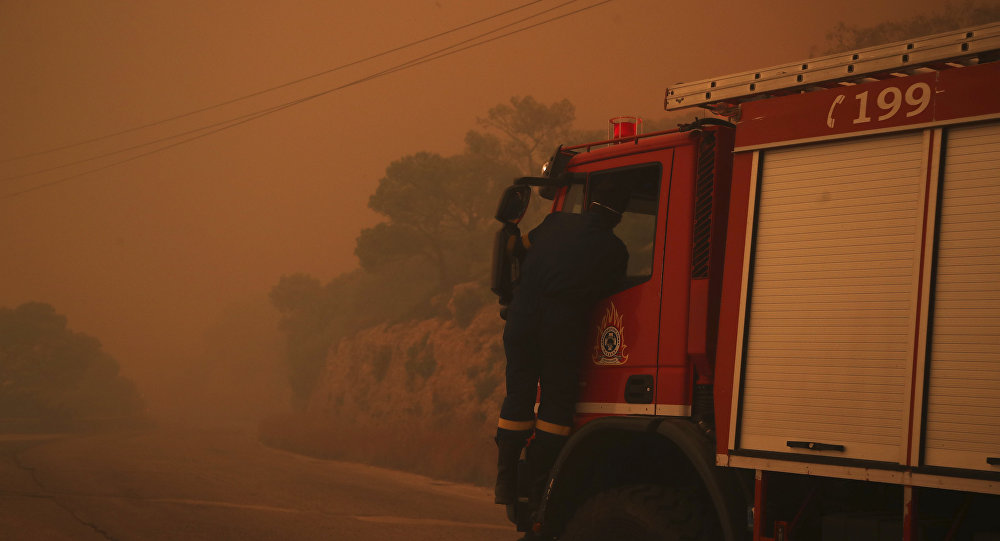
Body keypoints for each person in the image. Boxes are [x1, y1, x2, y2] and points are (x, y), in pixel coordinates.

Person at [494, 180, 629, 509]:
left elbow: (519, 249)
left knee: (518, 396)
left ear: (589, 202)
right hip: (563, 327)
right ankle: (540, 489)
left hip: (521, 319)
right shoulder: (615, 250)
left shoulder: (555, 222)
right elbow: (612, 294)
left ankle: (505, 483)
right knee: (556, 404)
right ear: (619, 215)